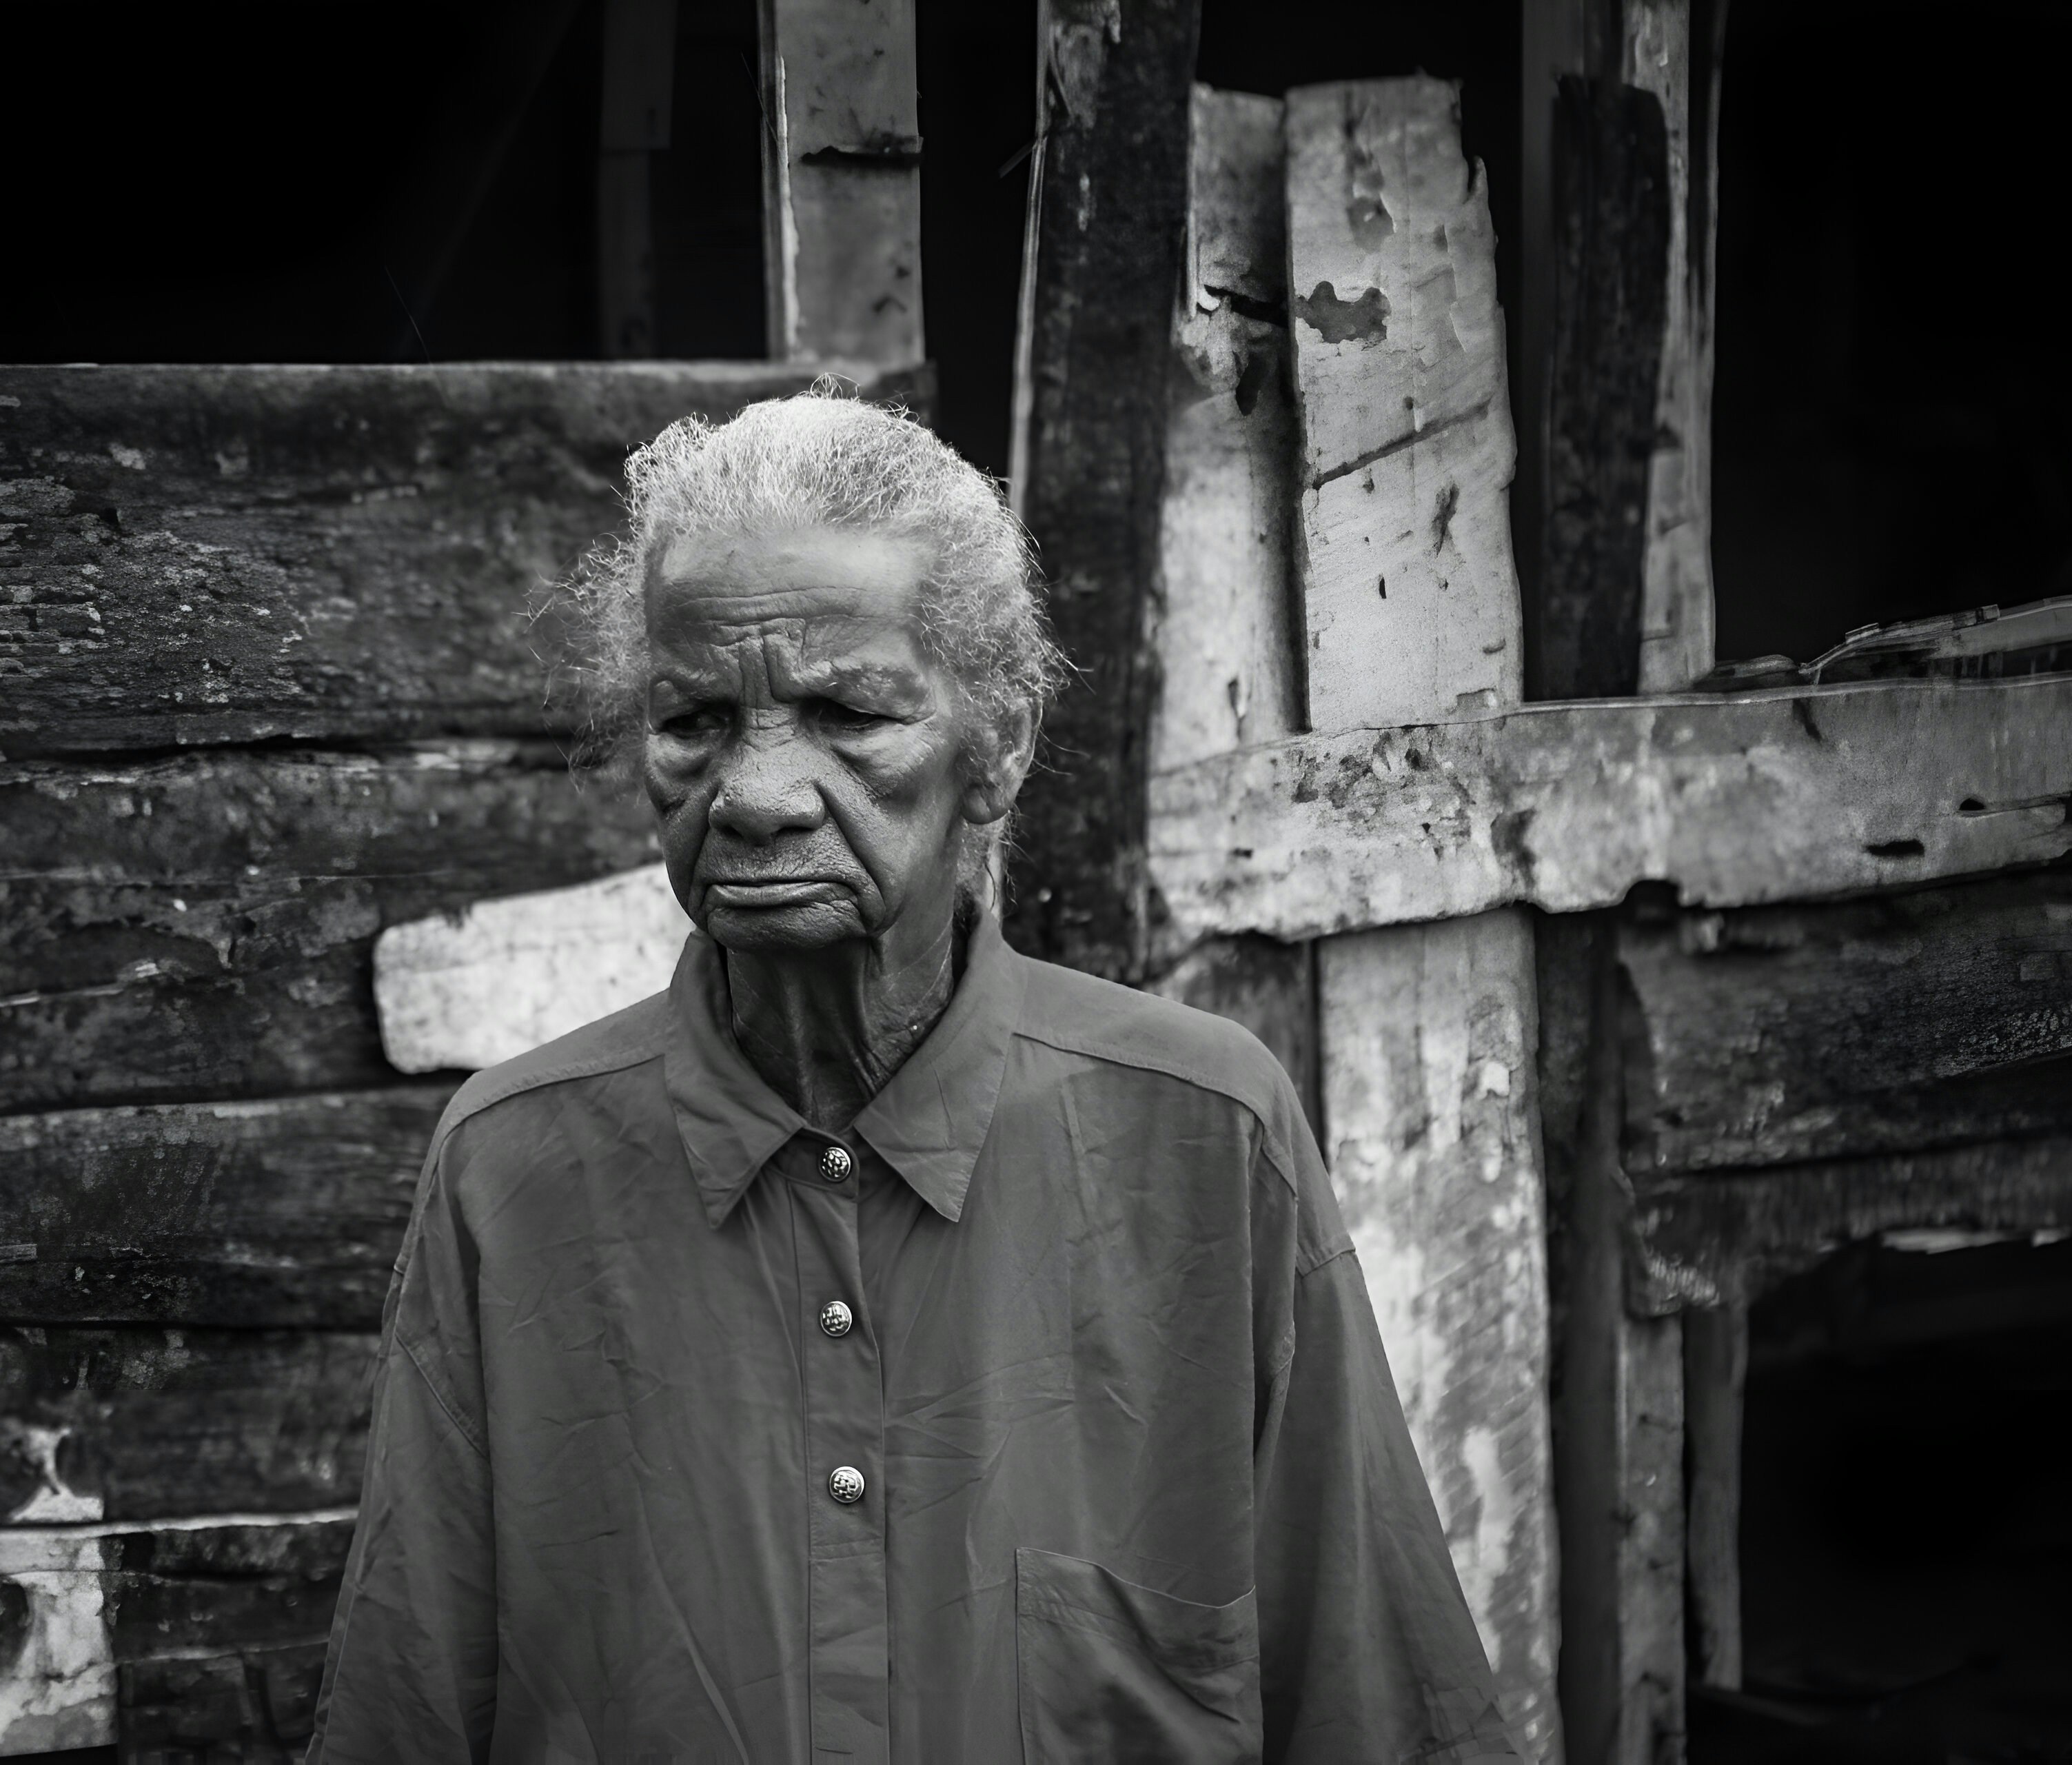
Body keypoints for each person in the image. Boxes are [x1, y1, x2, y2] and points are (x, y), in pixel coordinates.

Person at [307, 389, 1519, 1763]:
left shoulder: (1201, 1134)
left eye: (847, 713)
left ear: (996, 743)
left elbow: (1376, 1712)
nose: (756, 794)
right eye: (695, 719)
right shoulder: (511, 1170)